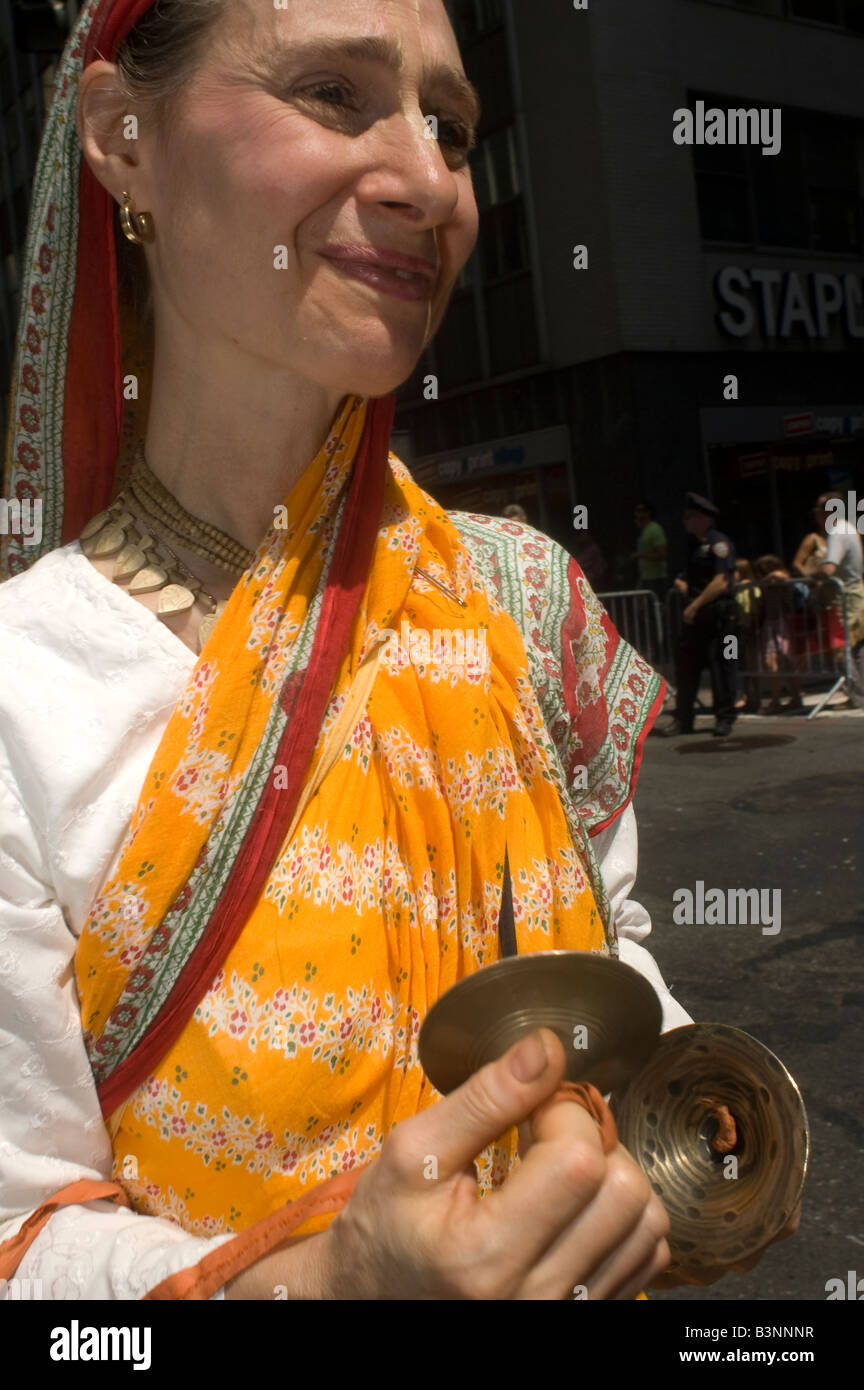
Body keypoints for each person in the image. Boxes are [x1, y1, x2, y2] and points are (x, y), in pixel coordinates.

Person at [0, 0, 795, 1301]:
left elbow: (610, 949)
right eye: (332, 92)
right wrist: (335, 1282)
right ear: (121, 136)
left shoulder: (516, 599)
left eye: (454, 126)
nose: (433, 181)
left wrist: (671, 1126)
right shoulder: (21, 695)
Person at [659, 493, 739, 738]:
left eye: (690, 517)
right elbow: (691, 576)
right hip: (697, 617)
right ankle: (684, 719)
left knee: (721, 667)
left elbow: (721, 582)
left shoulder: (719, 543)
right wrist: (682, 583)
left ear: (703, 518)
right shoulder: (694, 545)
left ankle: (724, 718)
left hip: (718, 617)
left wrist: (695, 605)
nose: (686, 522)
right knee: (686, 668)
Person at [816, 492, 864, 707]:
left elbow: (829, 569)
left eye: (819, 508)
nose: (815, 513)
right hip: (854, 592)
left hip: (847, 595)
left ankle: (857, 696)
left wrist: (812, 576)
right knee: (857, 646)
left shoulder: (837, 531)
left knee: (844, 647)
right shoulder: (849, 528)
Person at [752, 556, 805, 715]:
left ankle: (794, 697)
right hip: (770, 623)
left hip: (785, 623)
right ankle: (777, 699)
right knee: (771, 662)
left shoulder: (779, 577)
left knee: (789, 662)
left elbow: (781, 576)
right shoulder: (765, 582)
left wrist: (766, 579)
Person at [631, 500, 668, 603]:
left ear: (648, 513)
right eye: (636, 511)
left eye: (640, 511)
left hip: (656, 579)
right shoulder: (644, 530)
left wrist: (640, 555)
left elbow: (662, 554)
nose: (637, 514)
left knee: (656, 607)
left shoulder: (655, 529)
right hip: (645, 577)